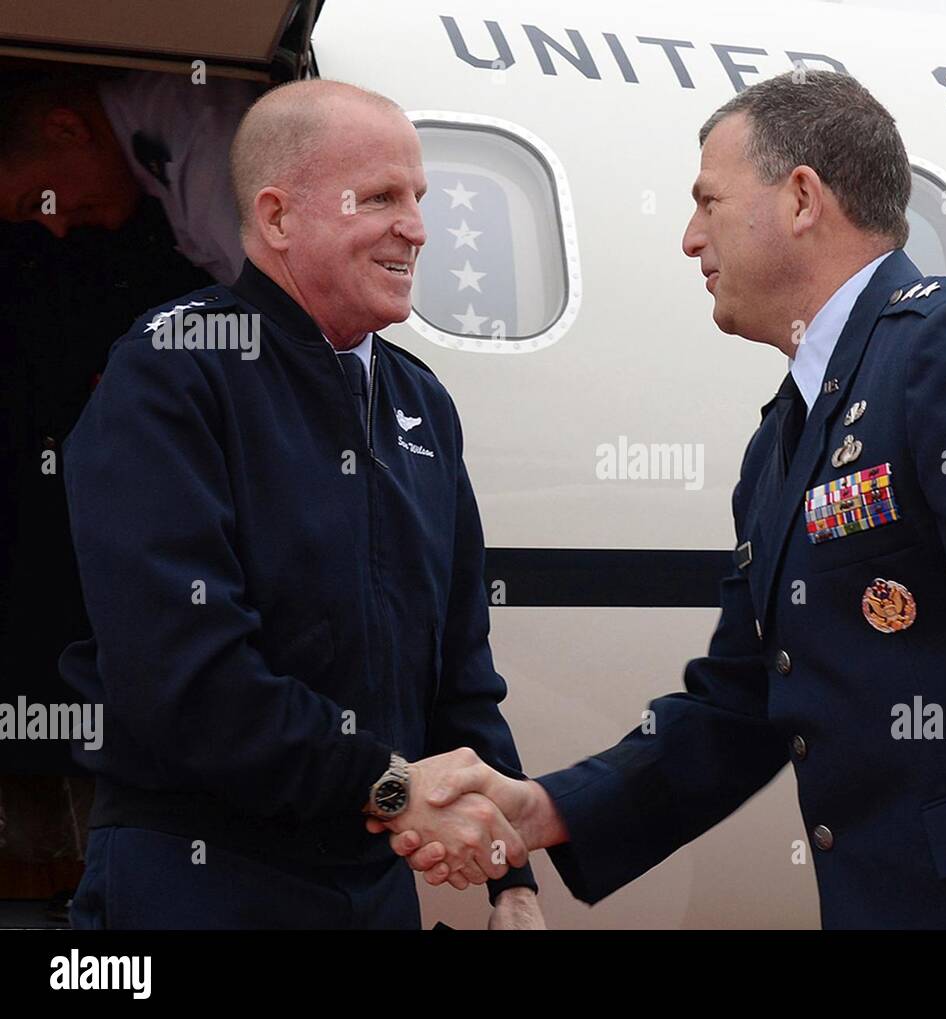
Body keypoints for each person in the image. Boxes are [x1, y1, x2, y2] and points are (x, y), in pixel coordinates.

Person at [382, 71, 946, 930]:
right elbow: (739, 706)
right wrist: (540, 809)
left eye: (709, 202)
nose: (690, 238)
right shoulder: (780, 447)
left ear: (802, 199)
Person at [59, 79, 543, 929]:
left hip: (370, 885)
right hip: (204, 882)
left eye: (420, 199)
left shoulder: (421, 403)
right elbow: (189, 680)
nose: (418, 227)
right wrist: (393, 788)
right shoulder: (173, 371)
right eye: (384, 197)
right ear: (279, 217)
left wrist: (511, 878)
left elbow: (462, 678)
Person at [0, 66, 255, 283]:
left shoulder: (202, 146)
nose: (58, 228)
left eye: (38, 202)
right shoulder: (162, 118)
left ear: (67, 129)